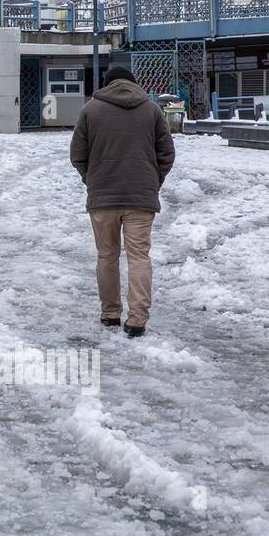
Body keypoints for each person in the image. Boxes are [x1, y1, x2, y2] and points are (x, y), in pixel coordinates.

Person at [69, 65, 175, 338]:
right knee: (139, 256)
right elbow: (167, 153)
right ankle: (138, 319)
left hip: (103, 197)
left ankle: (110, 314)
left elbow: (77, 155)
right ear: (134, 84)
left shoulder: (90, 111)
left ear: (106, 85)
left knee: (107, 256)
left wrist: (91, 180)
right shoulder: (151, 110)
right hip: (141, 197)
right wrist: (153, 181)